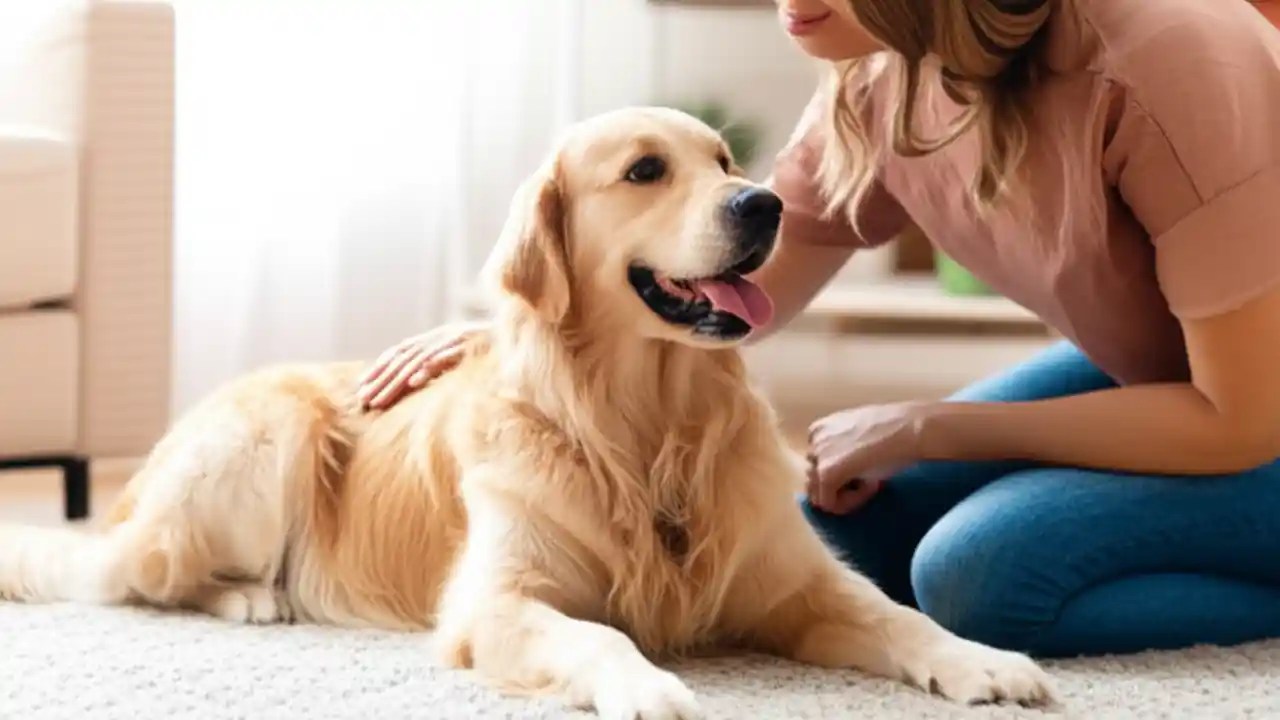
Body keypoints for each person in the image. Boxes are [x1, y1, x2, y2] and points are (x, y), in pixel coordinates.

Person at [356, 0, 1280, 658]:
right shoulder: (879, 77)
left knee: (981, 581)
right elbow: (714, 291)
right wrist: (526, 331)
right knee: (842, 538)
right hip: (1172, 378)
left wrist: (929, 426)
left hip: (1249, 406)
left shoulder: (1170, 55)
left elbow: (1241, 417)